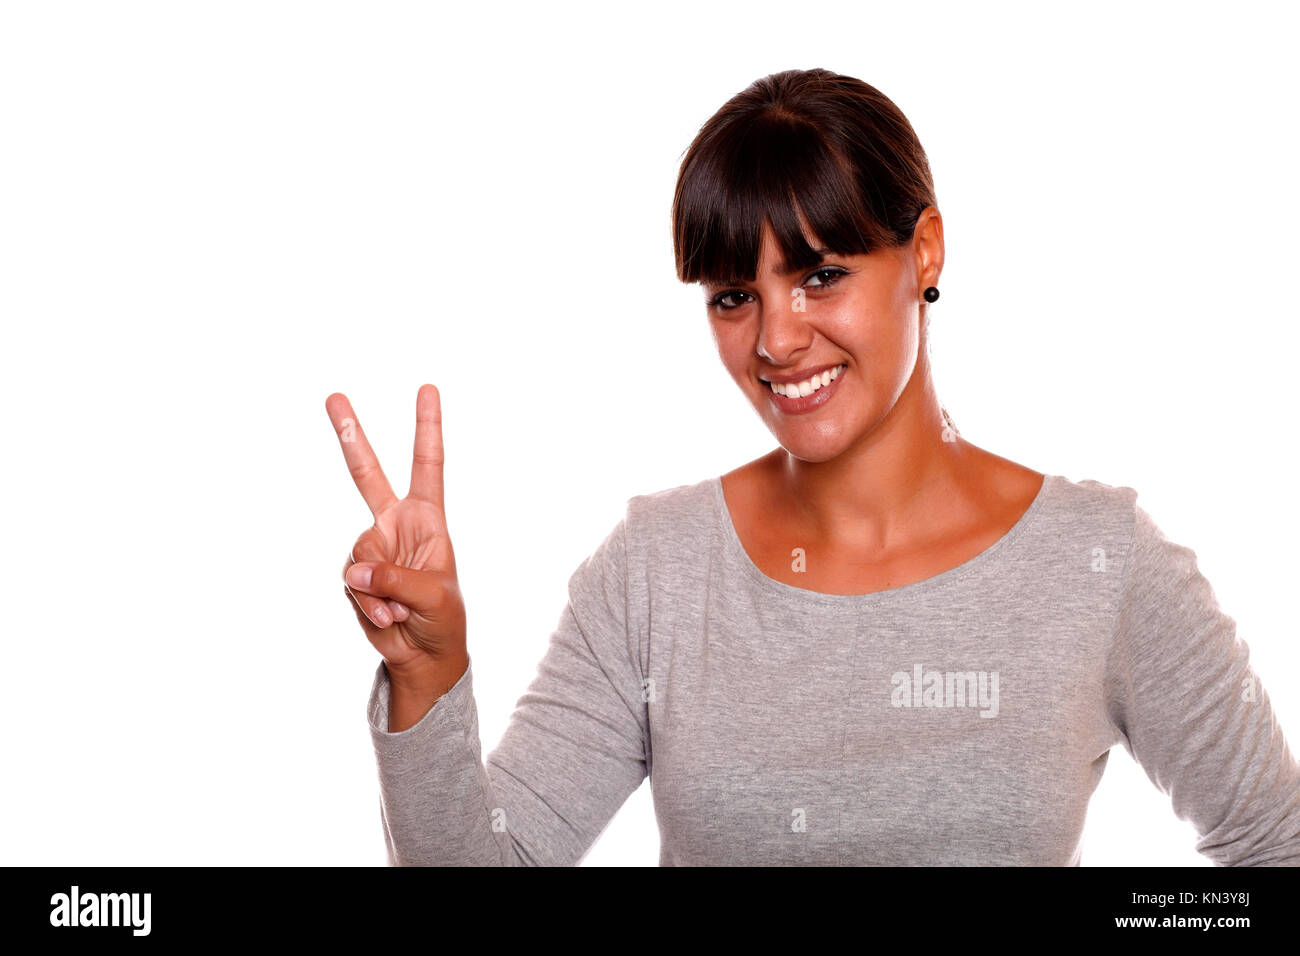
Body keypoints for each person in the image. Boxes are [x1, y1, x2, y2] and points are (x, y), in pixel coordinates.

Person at [325, 68, 1300, 865]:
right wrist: (428, 671)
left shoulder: (1101, 562)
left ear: (924, 252)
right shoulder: (656, 570)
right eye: (732, 294)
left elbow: (1273, 842)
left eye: (819, 274)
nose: (776, 339)